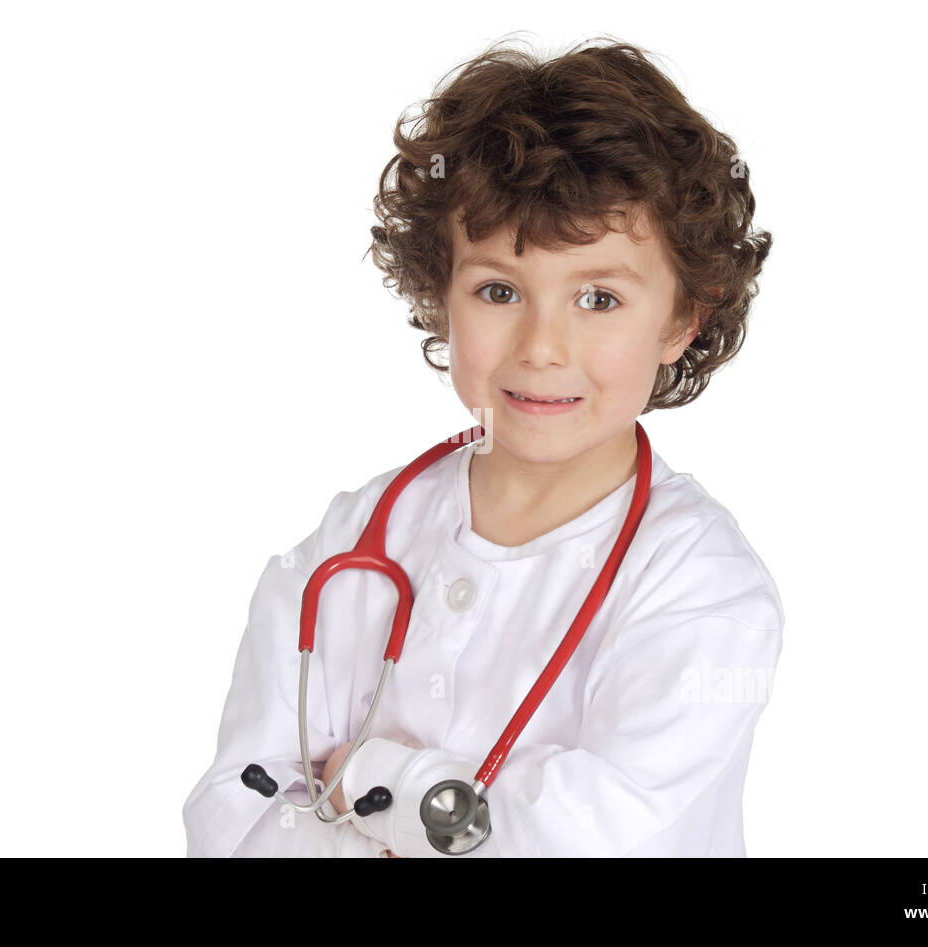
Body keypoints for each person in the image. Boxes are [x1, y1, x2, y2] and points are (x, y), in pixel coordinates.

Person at [183, 35, 782, 857]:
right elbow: (235, 819)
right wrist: (461, 818)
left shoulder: (702, 588)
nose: (542, 345)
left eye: (599, 298)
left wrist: (364, 782)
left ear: (684, 319)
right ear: (440, 294)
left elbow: (593, 838)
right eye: (498, 289)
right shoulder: (349, 544)